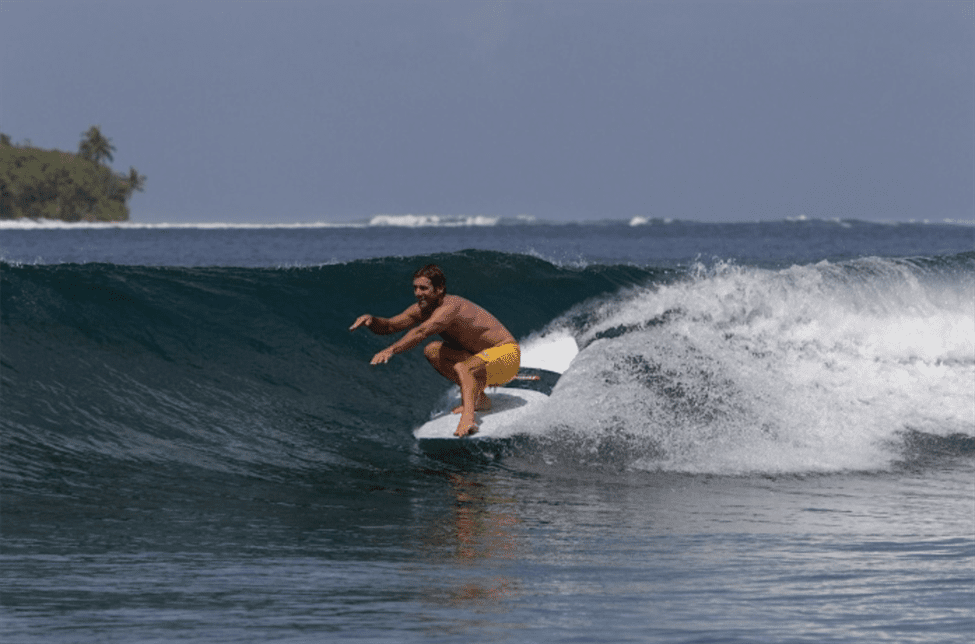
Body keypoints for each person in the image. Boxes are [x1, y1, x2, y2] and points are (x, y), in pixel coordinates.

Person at [349, 264, 520, 437]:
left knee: (464, 367)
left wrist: (391, 350)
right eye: (415, 288)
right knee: (432, 350)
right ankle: (479, 399)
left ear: (439, 289)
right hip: (482, 360)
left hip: (507, 356)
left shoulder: (450, 307)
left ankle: (469, 419)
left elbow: (421, 332)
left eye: (423, 288)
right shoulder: (422, 309)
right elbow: (390, 326)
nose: (418, 293)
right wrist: (372, 321)